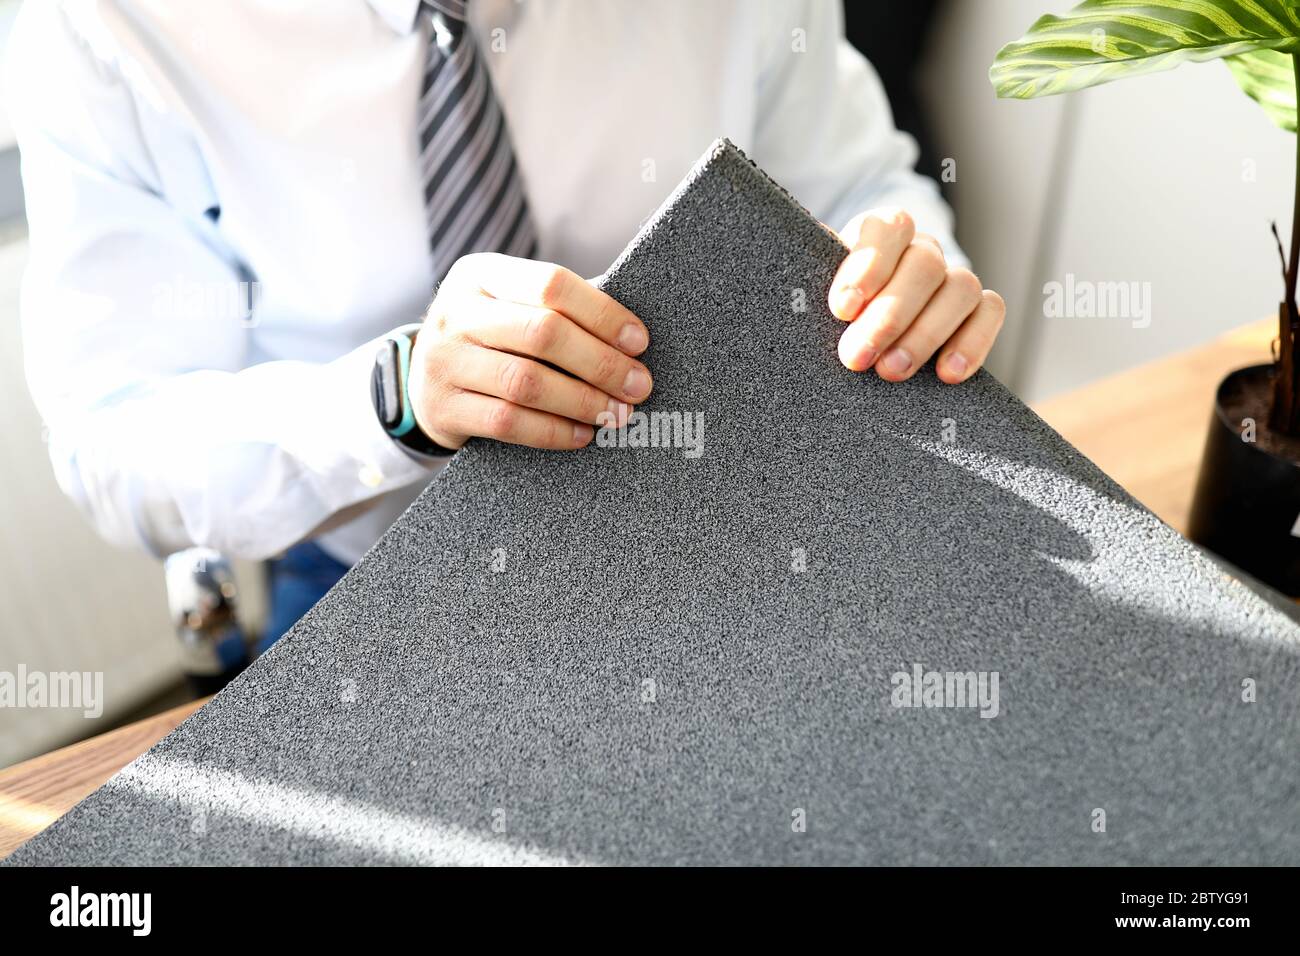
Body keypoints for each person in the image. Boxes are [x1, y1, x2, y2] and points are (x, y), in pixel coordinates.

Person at [7, 0, 1006, 647]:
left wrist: (907, 286)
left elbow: (854, 180)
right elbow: (116, 433)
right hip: (377, 570)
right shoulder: (104, 25)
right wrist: (393, 399)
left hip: (732, 506)